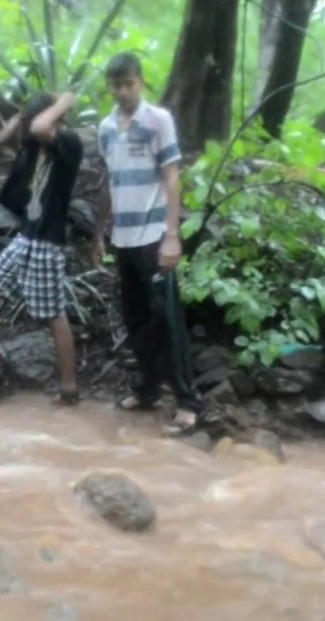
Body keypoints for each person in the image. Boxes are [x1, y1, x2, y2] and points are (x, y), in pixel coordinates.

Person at [97, 52, 201, 435]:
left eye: (129, 83)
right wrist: (99, 231)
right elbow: (110, 180)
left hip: (154, 234)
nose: (123, 91)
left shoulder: (158, 120)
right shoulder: (106, 127)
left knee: (167, 321)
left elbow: (172, 178)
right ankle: (148, 390)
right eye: (116, 84)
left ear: (141, 82)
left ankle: (188, 403)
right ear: (109, 86)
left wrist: (172, 236)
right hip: (123, 238)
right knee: (136, 319)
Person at [0, 92, 84, 405]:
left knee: (54, 314)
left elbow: (42, 127)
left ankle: (69, 389)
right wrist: (19, 116)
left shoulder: (67, 144)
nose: (29, 130)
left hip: (47, 242)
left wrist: (64, 102)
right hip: (27, 237)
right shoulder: (34, 147)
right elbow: (1, 139)